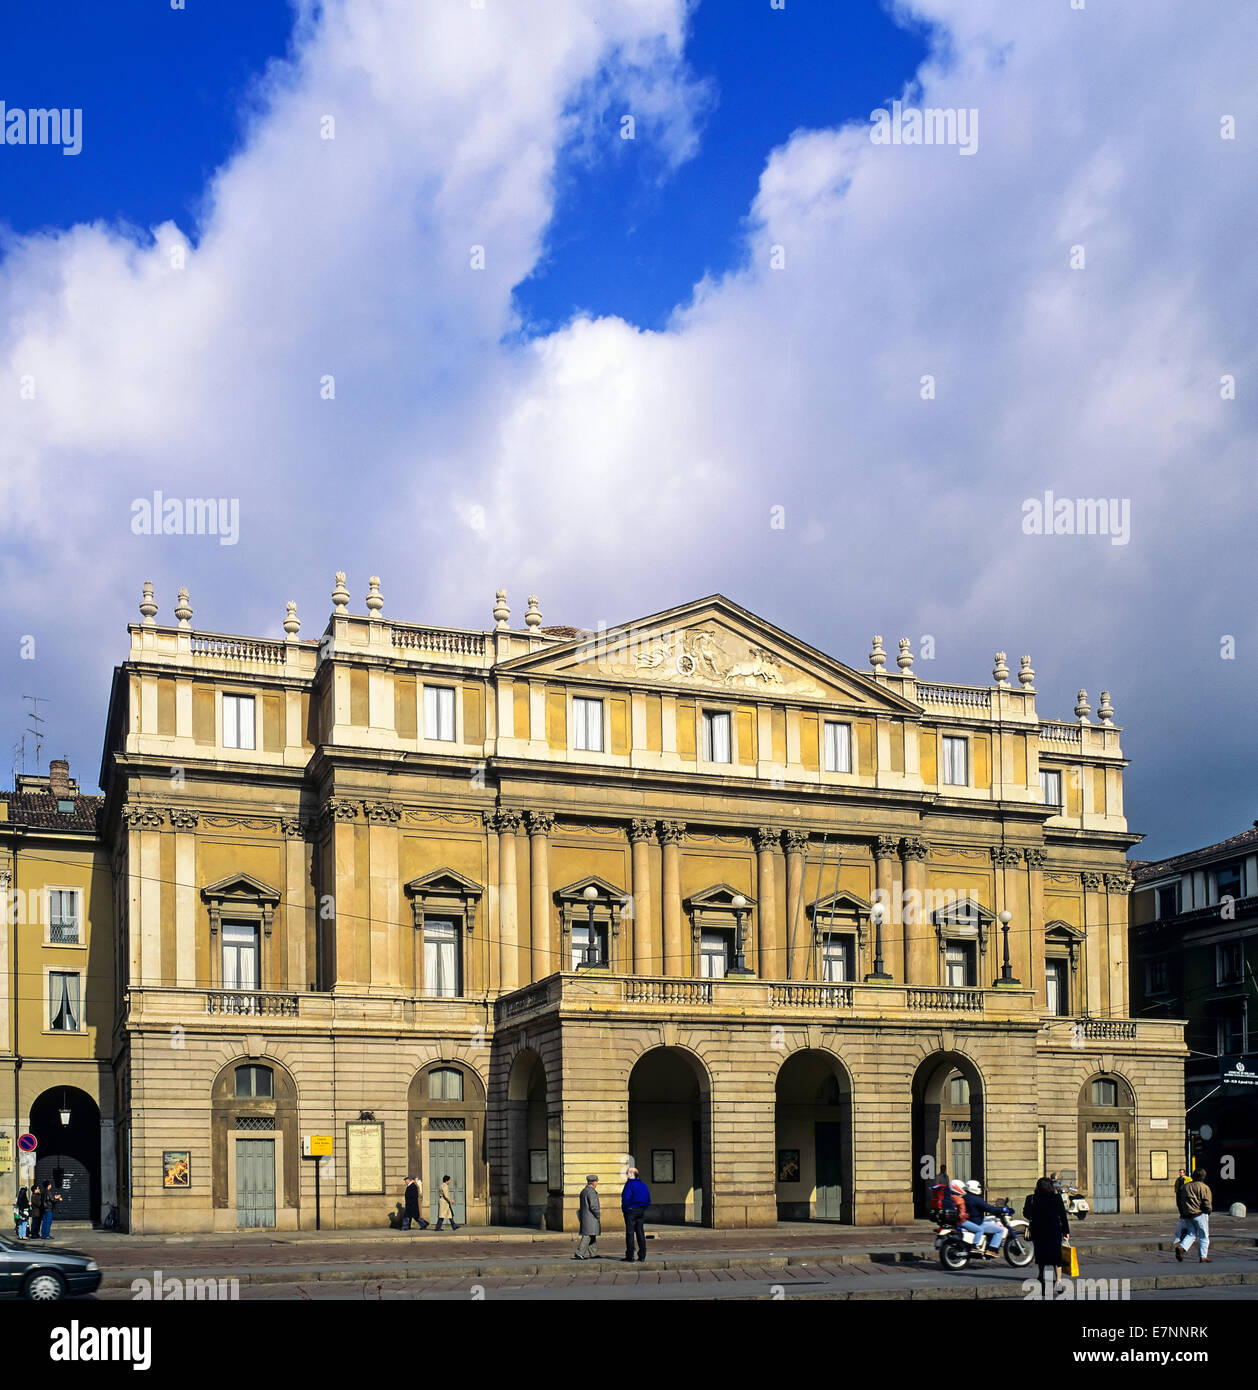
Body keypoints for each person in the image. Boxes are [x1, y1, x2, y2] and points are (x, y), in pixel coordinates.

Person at [1026, 1175, 1070, 1291]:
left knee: (1040, 1254)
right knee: (1056, 1256)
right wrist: (1066, 1231)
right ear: (1050, 1186)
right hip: (1053, 1230)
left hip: (1038, 1229)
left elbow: (1026, 1213)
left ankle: (1041, 1276)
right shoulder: (1056, 1198)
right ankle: (1059, 1281)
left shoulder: (1031, 1198)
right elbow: (1063, 1216)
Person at [1175, 1169, 1212, 1263]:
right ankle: (1203, 1256)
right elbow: (1207, 1202)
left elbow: (1179, 1200)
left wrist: (1182, 1212)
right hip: (1200, 1213)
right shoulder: (1203, 1187)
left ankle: (1182, 1247)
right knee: (1204, 1236)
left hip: (1187, 1214)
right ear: (1203, 1177)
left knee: (1191, 1233)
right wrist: (1208, 1211)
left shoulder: (1185, 1186)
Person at [961, 1179, 1007, 1254]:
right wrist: (1002, 1209)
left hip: (967, 1221)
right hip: (976, 1222)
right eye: (979, 1187)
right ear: (974, 1188)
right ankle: (992, 1249)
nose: (980, 1189)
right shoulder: (976, 1199)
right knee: (999, 1230)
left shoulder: (964, 1197)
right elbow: (990, 1208)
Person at [621, 1167, 650, 1262]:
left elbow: (626, 1198)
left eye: (628, 1173)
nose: (627, 1175)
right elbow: (648, 1199)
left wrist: (626, 1209)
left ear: (631, 1174)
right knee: (640, 1233)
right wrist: (642, 1208)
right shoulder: (643, 1185)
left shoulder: (629, 1184)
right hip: (640, 1211)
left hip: (631, 1211)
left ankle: (630, 1256)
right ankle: (642, 1255)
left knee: (630, 1233)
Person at [575, 1174, 600, 1260]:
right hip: (591, 1217)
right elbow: (593, 1206)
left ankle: (594, 1253)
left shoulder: (584, 1191)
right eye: (596, 1182)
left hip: (585, 1216)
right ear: (593, 1182)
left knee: (591, 1234)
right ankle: (579, 1253)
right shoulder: (591, 1192)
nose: (597, 1183)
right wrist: (598, 1214)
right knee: (587, 1235)